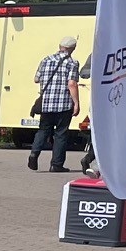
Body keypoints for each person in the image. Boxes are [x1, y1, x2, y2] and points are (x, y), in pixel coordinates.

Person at [28, 33, 81, 172]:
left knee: (43, 130)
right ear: (72, 48)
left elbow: (36, 79)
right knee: (61, 133)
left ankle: (34, 153)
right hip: (63, 104)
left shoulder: (46, 59)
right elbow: (72, 84)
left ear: (60, 46)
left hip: (46, 103)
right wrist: (76, 103)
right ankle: (56, 164)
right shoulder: (72, 63)